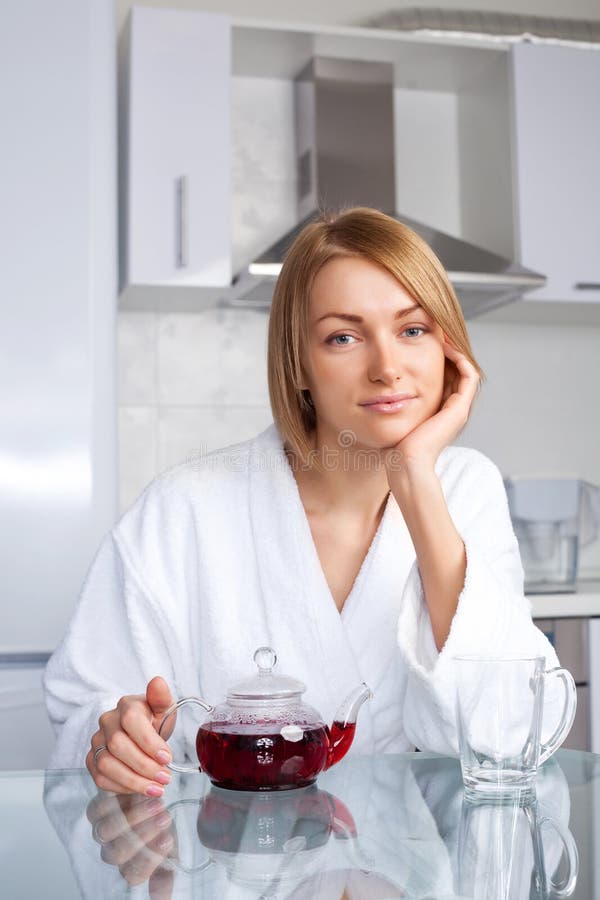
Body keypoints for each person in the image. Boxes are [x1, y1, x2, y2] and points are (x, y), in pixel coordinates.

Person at [44, 207, 562, 798]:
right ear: (299, 365)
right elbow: (85, 704)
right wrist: (113, 736)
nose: (387, 368)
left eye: (412, 329)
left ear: (448, 348)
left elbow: (507, 730)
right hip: (237, 870)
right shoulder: (184, 509)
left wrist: (418, 484)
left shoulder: (468, 487)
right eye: (343, 337)